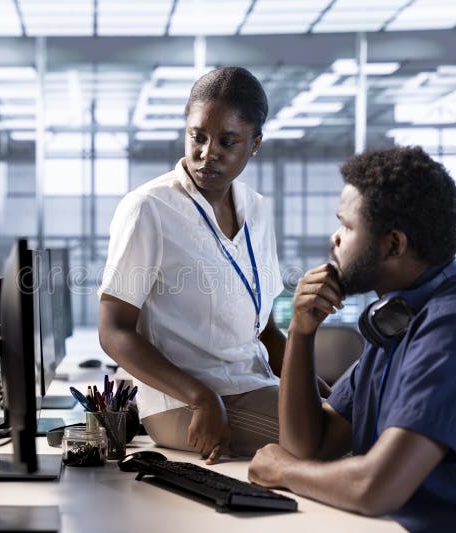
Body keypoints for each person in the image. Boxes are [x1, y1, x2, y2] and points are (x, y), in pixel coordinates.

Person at [248, 146, 456, 532]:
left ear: (393, 245)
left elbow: (376, 488)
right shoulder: (396, 322)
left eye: (348, 227)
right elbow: (310, 445)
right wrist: (302, 333)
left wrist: (284, 471)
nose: (334, 239)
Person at [98, 67, 329, 465]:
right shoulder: (149, 208)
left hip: (251, 384)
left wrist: (313, 386)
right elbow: (113, 330)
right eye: (198, 137)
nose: (208, 153)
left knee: (347, 411)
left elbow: (266, 330)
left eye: (227, 141)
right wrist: (200, 397)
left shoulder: (257, 209)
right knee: (333, 436)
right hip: (186, 404)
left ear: (254, 144)